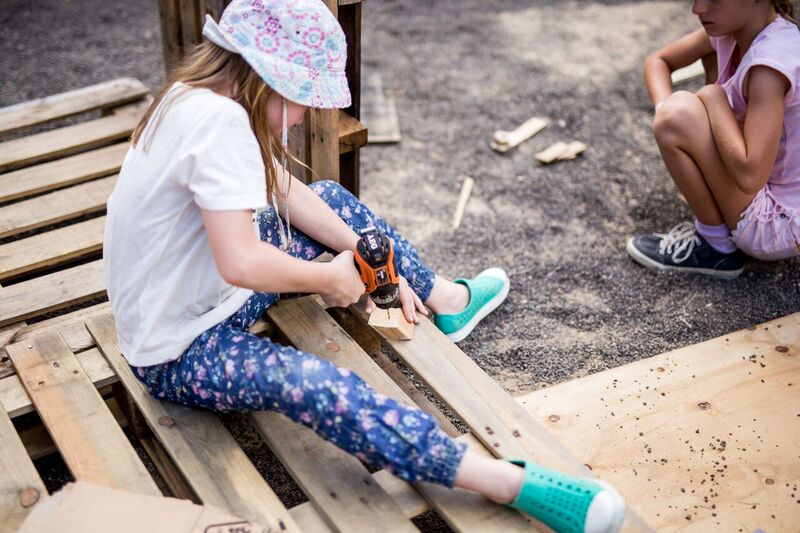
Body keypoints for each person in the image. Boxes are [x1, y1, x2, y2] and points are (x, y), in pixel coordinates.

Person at [103, 1, 626, 531]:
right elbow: (239, 260)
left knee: (329, 198)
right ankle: (503, 482)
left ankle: (443, 301)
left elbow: (283, 190)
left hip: (186, 303)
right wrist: (329, 277)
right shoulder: (221, 124)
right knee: (313, 384)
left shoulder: (198, 96)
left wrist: (365, 258)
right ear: (266, 77)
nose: (307, 113)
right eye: (304, 96)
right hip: (176, 351)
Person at [627, 0, 800, 279]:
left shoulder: (769, 65)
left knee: (681, 113)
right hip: (769, 194)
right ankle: (719, 223)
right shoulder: (731, 31)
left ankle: (715, 247)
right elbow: (658, 61)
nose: (698, 8)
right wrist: (666, 116)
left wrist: (711, 97)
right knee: (676, 114)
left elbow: (750, 176)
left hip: (780, 223)